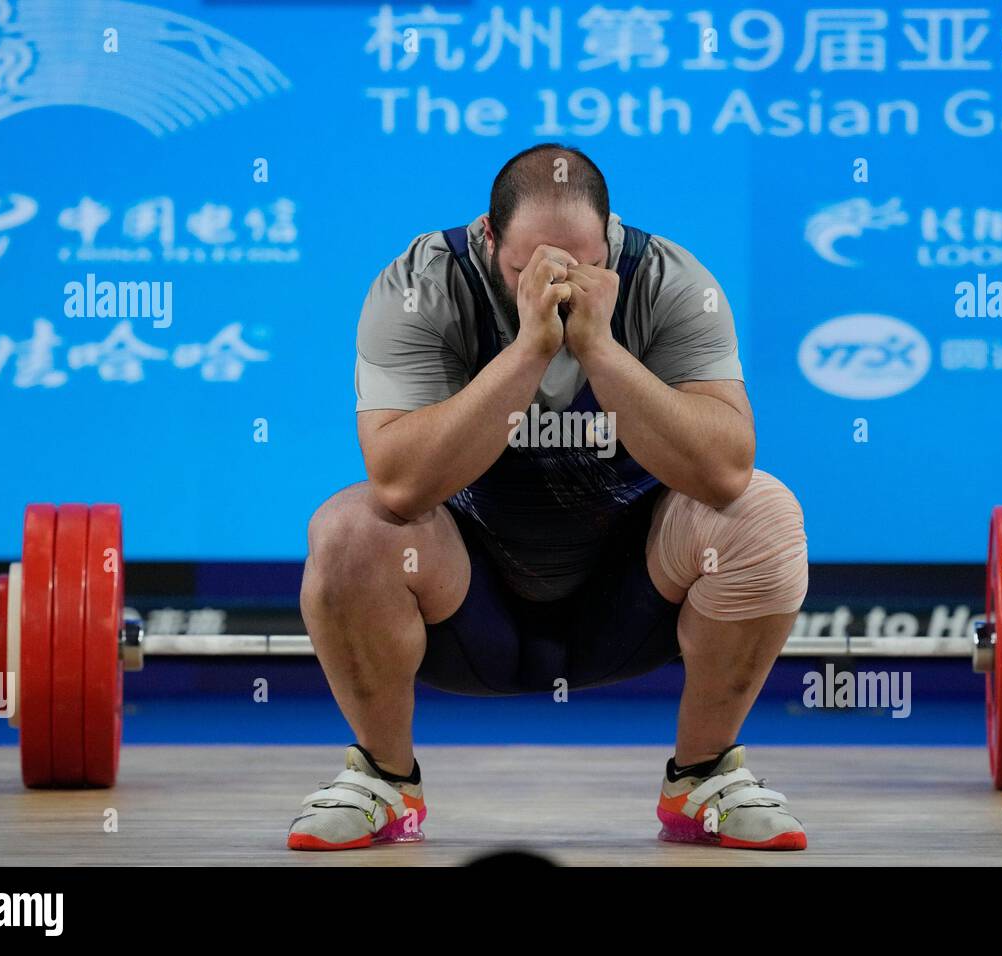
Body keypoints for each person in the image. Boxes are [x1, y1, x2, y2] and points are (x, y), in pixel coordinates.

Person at [288, 143, 809, 852]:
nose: (559, 285)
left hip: (627, 600)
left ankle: (702, 776)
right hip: (469, 607)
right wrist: (532, 348)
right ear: (487, 236)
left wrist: (599, 349)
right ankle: (385, 780)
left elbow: (724, 471)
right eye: (523, 269)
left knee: (763, 513)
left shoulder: (666, 279)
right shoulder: (423, 284)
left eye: (585, 264)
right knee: (348, 531)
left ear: (610, 239)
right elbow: (400, 482)